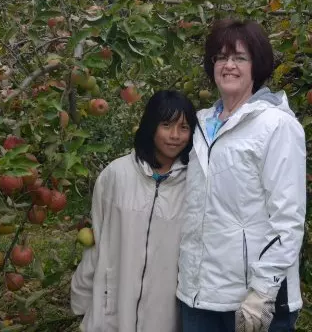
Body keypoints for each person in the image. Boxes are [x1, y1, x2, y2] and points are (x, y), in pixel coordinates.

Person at [177, 19, 306, 332]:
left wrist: (262, 292)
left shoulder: (276, 126)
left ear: (256, 65)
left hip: (252, 298)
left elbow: (288, 218)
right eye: (220, 57)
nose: (228, 65)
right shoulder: (201, 124)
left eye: (239, 57)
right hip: (198, 294)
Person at [71, 90, 197, 332]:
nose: (174, 136)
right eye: (166, 125)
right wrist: (82, 296)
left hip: (166, 314)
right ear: (151, 127)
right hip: (112, 309)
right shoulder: (116, 175)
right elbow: (98, 240)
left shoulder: (195, 184)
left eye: (183, 127)